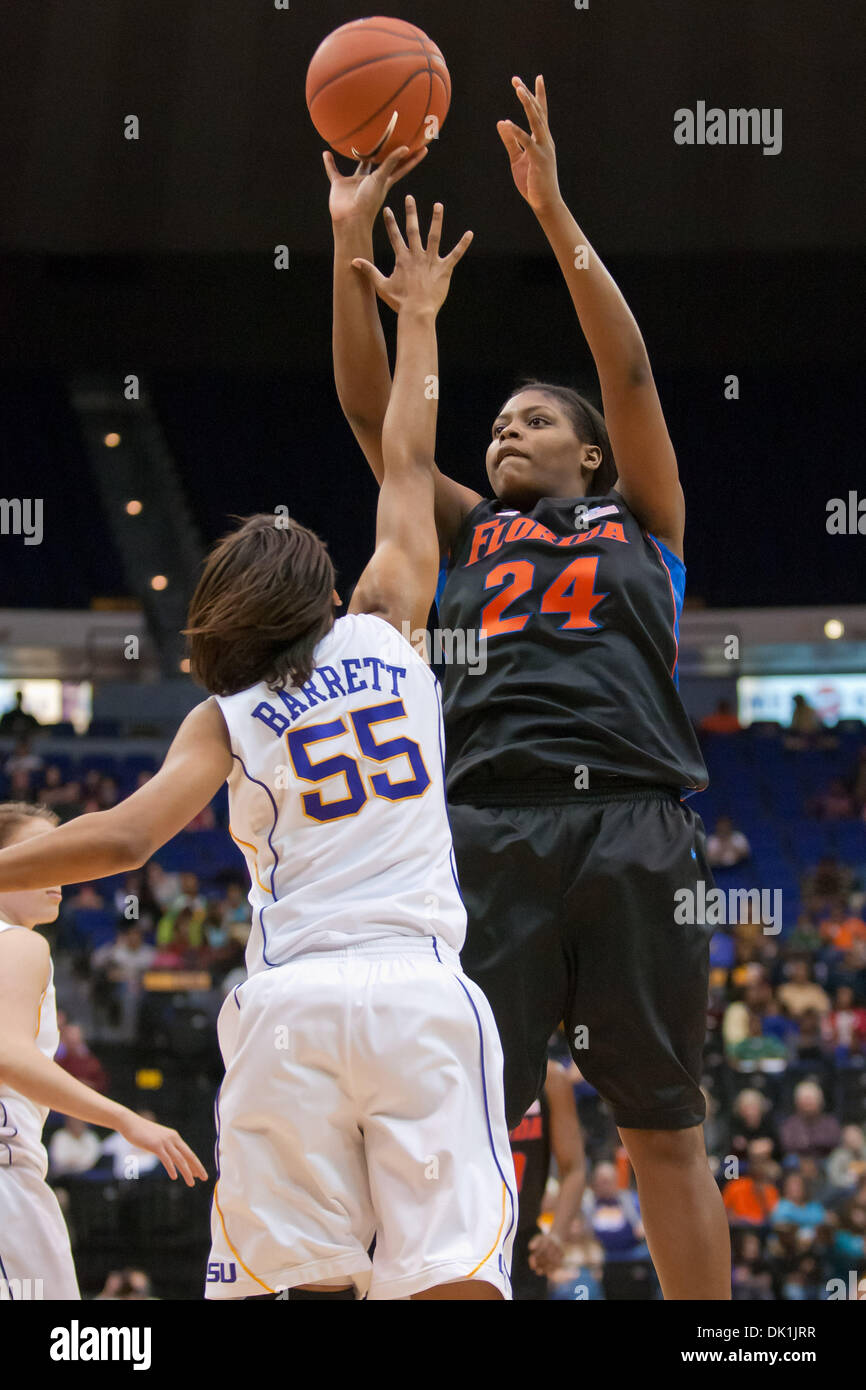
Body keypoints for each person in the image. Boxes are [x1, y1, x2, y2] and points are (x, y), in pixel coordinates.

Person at [0, 201, 514, 1301]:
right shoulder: (387, 625)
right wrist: (414, 314)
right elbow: (407, 452)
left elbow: (124, 838)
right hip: (418, 992)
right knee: (449, 1275)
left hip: (289, 1007)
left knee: (300, 1285)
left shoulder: (225, 712)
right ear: (325, 591)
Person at [334, 72, 729, 1300]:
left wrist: (553, 213)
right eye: (495, 421)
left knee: (663, 1126)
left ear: (589, 455)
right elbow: (371, 414)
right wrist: (354, 252)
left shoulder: (642, 520)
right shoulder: (460, 528)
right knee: (465, 1134)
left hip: (633, 822)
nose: (502, 431)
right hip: (482, 827)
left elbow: (633, 376)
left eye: (530, 422)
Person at [0, 802, 207, 1300]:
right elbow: (8, 1054)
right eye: (42, 854)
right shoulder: (21, 945)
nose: (61, 871)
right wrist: (126, 1120)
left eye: (64, 855)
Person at [508, 1057, 586, 1299]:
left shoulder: (551, 1078)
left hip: (525, 1242)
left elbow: (573, 1168)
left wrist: (556, 1236)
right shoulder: (463, 1067)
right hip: (467, 1241)